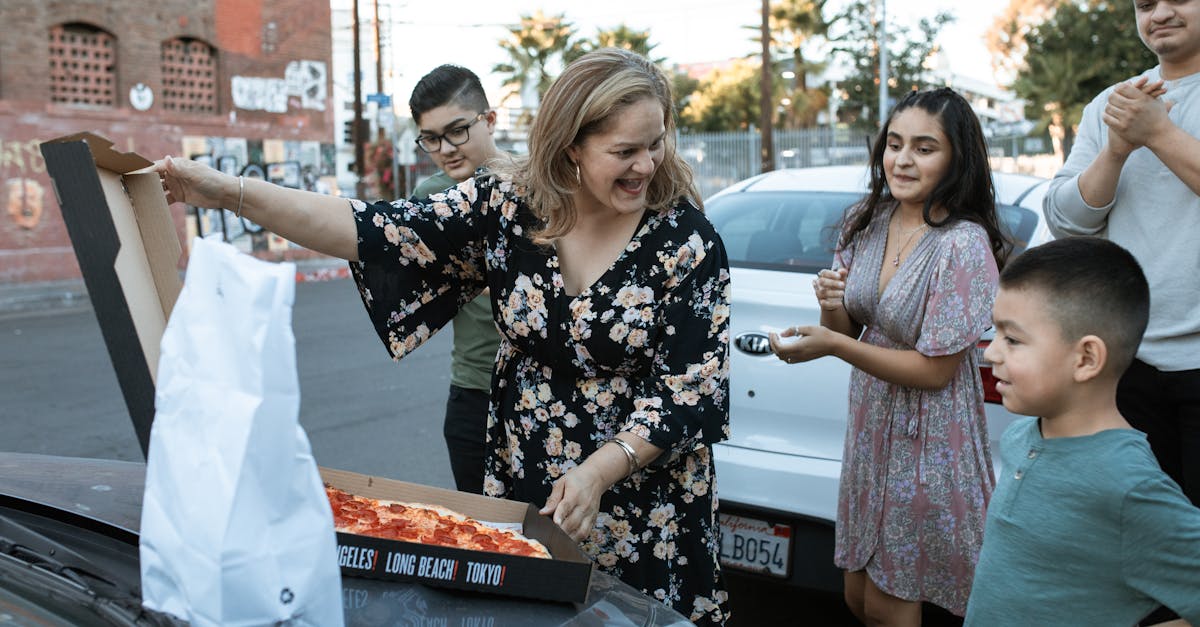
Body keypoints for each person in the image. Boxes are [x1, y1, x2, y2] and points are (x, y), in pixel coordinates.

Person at [154, 48, 732, 625]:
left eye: (655, 143)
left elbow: (689, 394)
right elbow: (372, 229)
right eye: (624, 151)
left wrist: (597, 473)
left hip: (647, 507)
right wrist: (228, 191)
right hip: (528, 480)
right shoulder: (507, 203)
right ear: (570, 146)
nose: (646, 165)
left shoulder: (687, 241)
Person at [770, 87, 1008, 624]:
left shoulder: (963, 244)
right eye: (895, 144)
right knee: (856, 595)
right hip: (870, 428)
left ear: (956, 158)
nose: (902, 159)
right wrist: (832, 310)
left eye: (925, 148)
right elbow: (849, 328)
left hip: (931, 439)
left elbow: (935, 371)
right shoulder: (867, 218)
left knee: (890, 605)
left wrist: (835, 344)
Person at [964, 237, 1200, 626]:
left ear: (1086, 358)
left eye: (1013, 339)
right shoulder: (1022, 435)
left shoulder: (1128, 486)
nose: (990, 352)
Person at [1044, 0, 1200, 509]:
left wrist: (1159, 133)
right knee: (1133, 537)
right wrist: (1114, 150)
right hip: (1128, 361)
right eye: (1145, 4)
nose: (1159, 14)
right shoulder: (1113, 103)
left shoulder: (1146, 114)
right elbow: (1065, 218)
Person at [407, 64, 503, 494]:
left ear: (490, 119)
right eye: (431, 138)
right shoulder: (431, 198)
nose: (445, 148)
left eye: (458, 130)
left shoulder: (539, 185)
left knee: (549, 547)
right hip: (473, 392)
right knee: (483, 544)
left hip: (547, 397)